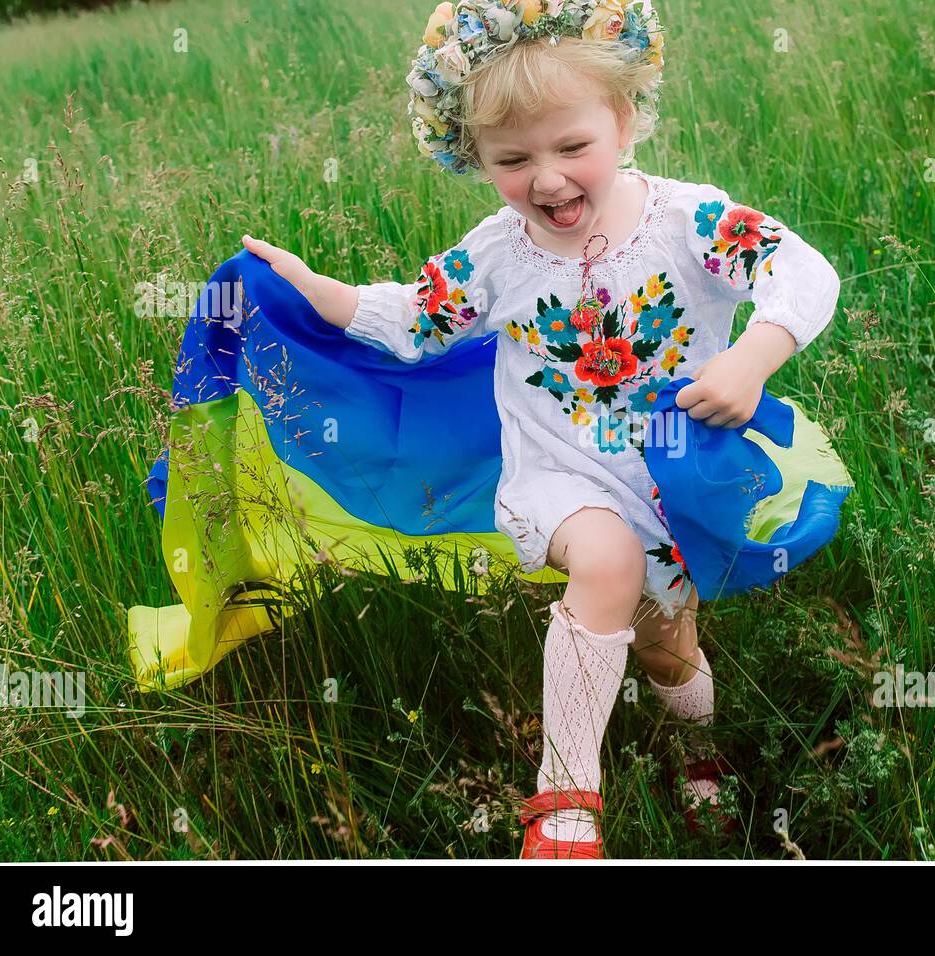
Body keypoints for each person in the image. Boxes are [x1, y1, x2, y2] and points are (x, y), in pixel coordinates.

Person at [240, 0, 841, 859]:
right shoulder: (498, 253)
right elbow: (418, 317)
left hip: (671, 480)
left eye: (572, 148)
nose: (549, 181)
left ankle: (696, 749)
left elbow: (802, 268)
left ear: (624, 120)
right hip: (559, 475)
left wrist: (752, 356)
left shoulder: (689, 221)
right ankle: (565, 806)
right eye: (514, 161)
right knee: (607, 562)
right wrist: (321, 293)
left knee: (670, 648)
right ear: (473, 157)